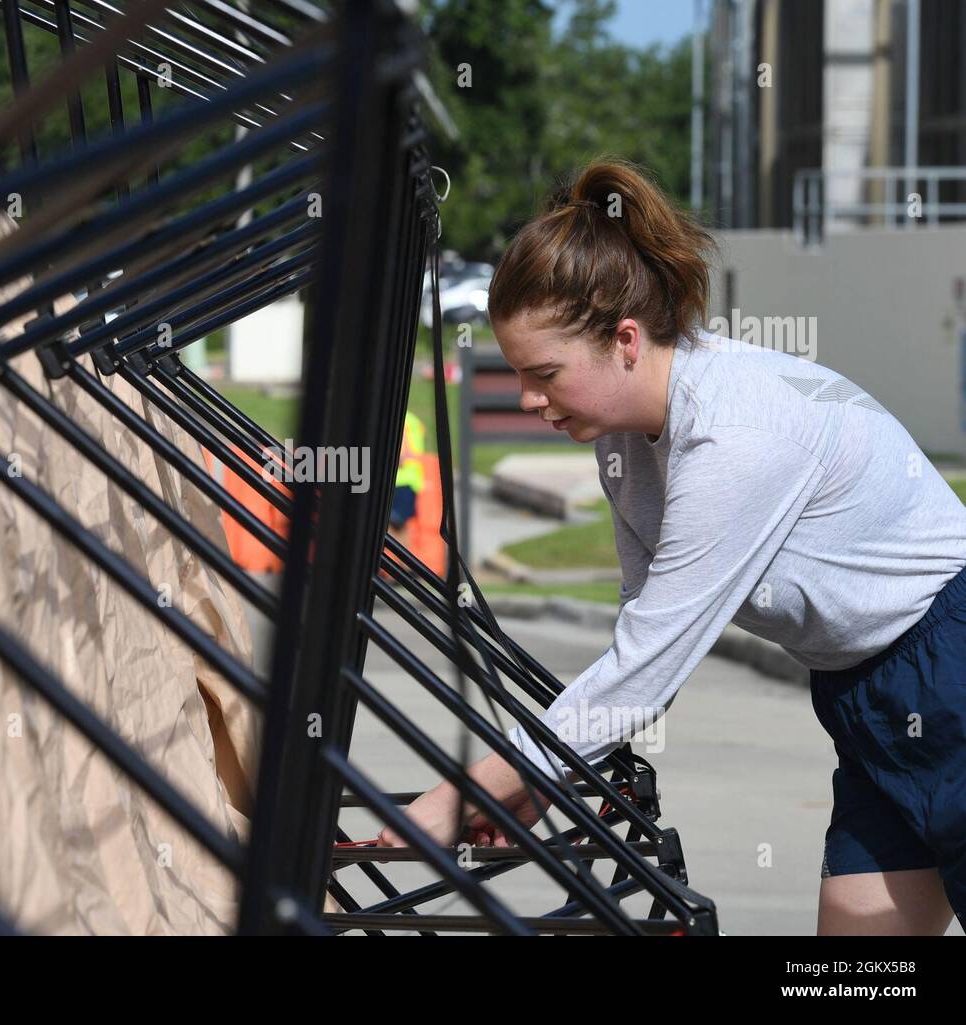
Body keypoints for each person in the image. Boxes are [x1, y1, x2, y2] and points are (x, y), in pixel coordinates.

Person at [377, 157, 966, 936]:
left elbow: (646, 667)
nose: (528, 399)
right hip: (866, 693)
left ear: (625, 339)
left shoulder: (734, 436)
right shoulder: (623, 444)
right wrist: (541, 781)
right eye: (517, 374)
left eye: (544, 373)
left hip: (949, 667)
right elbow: (644, 635)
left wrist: (471, 787)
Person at [389, 410, 426, 543]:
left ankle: (390, 562)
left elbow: (401, 456)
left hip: (399, 481)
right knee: (400, 526)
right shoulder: (412, 419)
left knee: (391, 526)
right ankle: (402, 562)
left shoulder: (398, 418)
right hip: (411, 480)